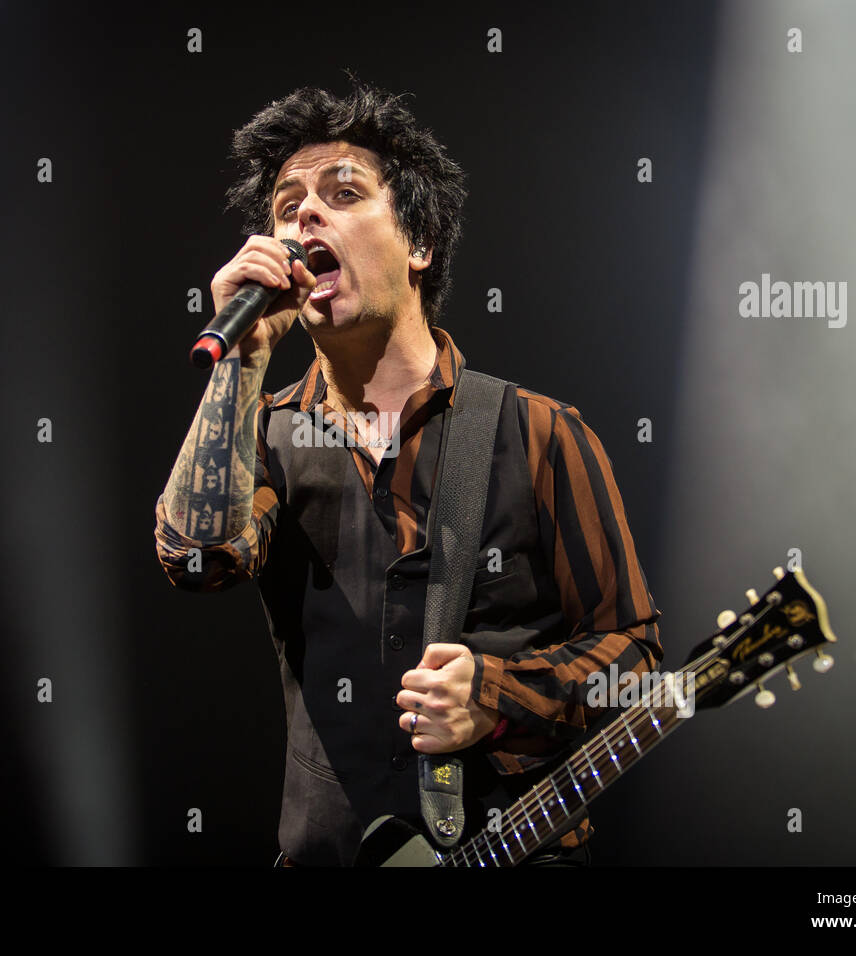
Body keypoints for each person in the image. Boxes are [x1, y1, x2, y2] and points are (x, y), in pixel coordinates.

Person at [154, 77, 662, 867]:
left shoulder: (540, 433)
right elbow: (194, 559)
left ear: (419, 243)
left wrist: (495, 696)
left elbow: (636, 660)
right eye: (286, 206)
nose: (303, 216)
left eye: (341, 192)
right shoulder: (267, 436)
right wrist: (240, 366)